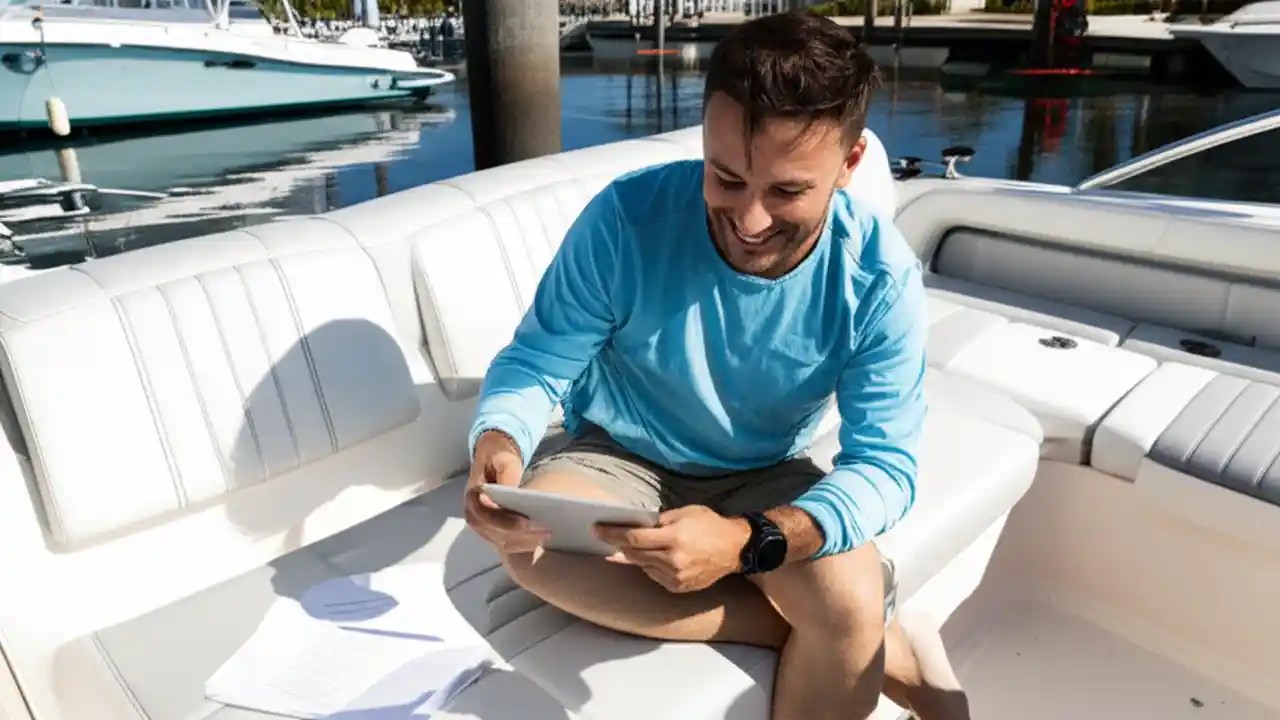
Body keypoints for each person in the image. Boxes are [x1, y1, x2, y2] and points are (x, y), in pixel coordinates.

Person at [462, 11, 969, 720]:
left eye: (788, 191)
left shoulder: (879, 277)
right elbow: (539, 361)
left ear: (849, 166)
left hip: (765, 473)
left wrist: (746, 543)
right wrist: (500, 442)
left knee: (847, 600)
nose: (751, 219)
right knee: (531, 552)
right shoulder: (625, 219)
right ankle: (874, 639)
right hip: (619, 456)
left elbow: (884, 469)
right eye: (726, 177)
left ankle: (854, 626)